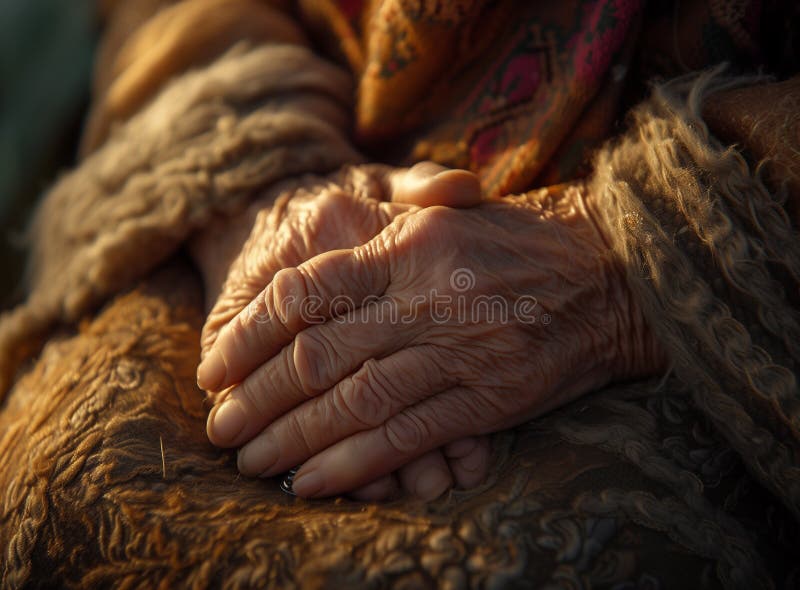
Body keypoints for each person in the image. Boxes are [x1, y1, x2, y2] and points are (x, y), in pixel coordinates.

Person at [1, 0, 798, 586]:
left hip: (737, 265)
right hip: (314, 165)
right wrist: (255, 175)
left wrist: (635, 261)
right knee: (69, 493)